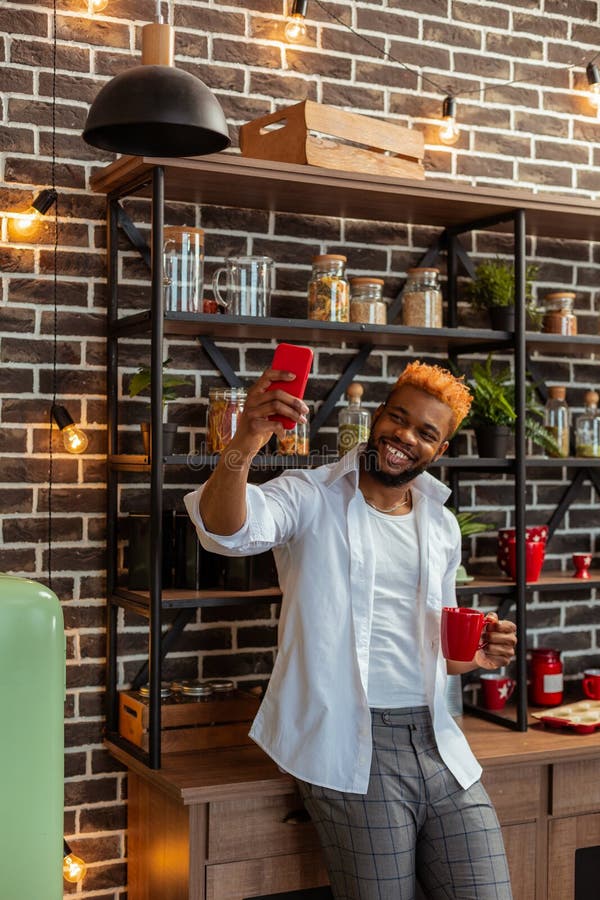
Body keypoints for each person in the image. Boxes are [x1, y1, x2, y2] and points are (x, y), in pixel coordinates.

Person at [184, 359, 517, 900]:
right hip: (352, 744)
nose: (404, 437)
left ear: (439, 450)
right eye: (398, 418)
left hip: (440, 740)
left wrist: (478, 655)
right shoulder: (309, 495)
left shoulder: (440, 523)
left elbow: (443, 653)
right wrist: (246, 440)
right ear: (378, 415)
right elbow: (226, 531)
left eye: (425, 433)